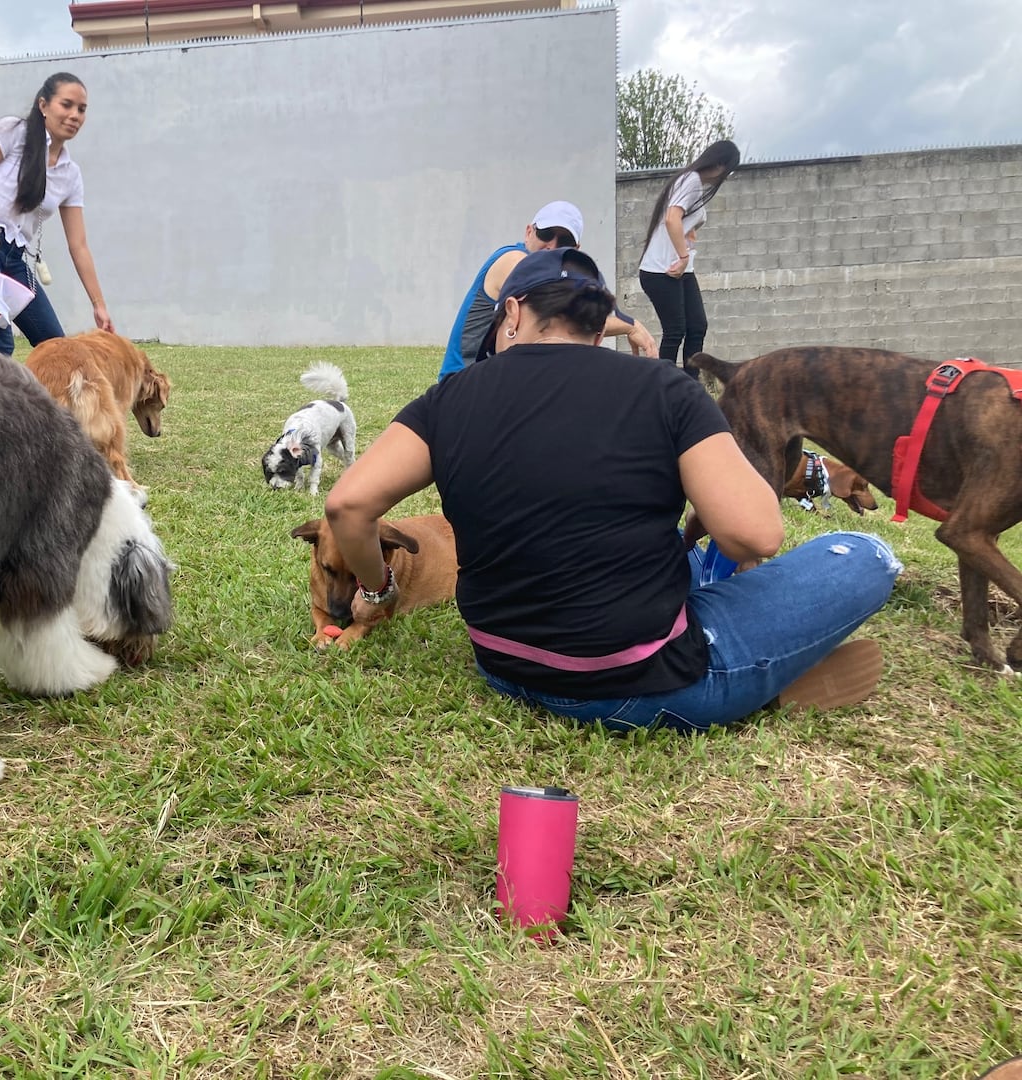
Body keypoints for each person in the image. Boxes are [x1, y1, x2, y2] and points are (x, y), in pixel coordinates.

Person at [327, 246, 901, 733]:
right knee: (866, 555)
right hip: (643, 682)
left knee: (688, 560)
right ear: (601, 326)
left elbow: (349, 505)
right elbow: (756, 534)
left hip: (502, 663)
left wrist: (376, 592)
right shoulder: (665, 390)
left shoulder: (449, 398)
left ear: (513, 312)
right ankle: (757, 688)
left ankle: (737, 654)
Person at [0, 71, 114, 356]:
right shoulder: (12, 132)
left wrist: (99, 304)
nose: (75, 115)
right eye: (66, 105)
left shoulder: (70, 174)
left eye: (81, 109)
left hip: (14, 255)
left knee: (57, 348)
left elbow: (78, 245)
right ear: (43, 105)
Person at [437, 201, 656, 381]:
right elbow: (565, 317)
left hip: (498, 379)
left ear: (575, 250)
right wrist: (630, 325)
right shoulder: (514, 260)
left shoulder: (554, 277)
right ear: (529, 232)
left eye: (564, 240)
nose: (552, 245)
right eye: (546, 233)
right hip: (463, 381)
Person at [637, 139, 740, 378]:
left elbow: (680, 224)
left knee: (697, 327)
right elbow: (672, 219)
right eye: (728, 170)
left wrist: (687, 247)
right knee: (675, 331)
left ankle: (691, 388)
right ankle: (664, 389)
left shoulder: (692, 184)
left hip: (680, 269)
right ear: (720, 164)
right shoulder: (691, 181)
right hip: (661, 270)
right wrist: (683, 256)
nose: (724, 176)